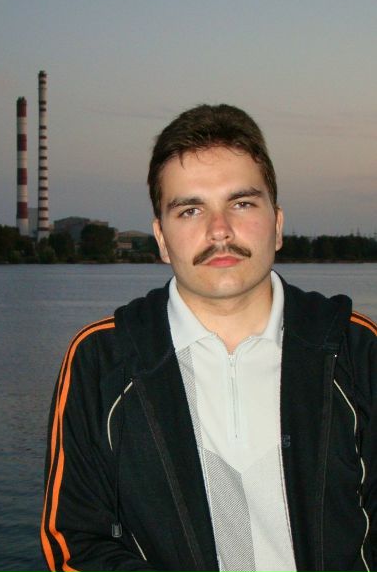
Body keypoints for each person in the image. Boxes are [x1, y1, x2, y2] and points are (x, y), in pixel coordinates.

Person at [41, 104, 376, 572]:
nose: (219, 231)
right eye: (191, 210)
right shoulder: (101, 362)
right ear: (161, 238)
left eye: (242, 203)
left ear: (278, 224)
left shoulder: (356, 351)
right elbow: (74, 542)